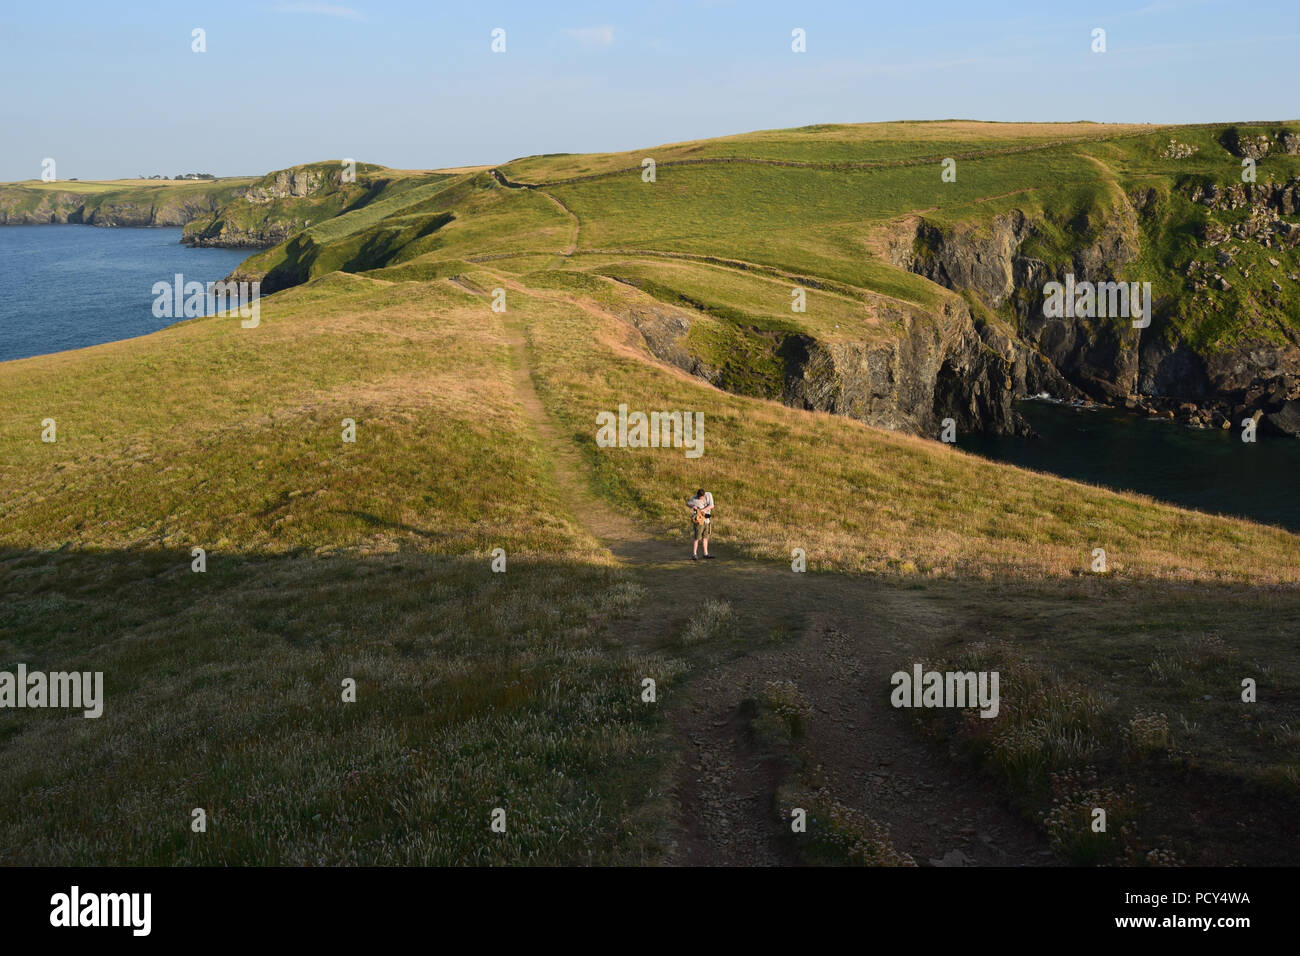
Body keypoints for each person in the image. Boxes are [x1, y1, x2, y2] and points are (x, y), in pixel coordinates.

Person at [686, 487, 715, 560]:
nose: (700, 499)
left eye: (701, 497)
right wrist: (693, 506)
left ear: (704, 495)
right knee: (697, 538)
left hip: (707, 520)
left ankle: (705, 554)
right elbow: (687, 504)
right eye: (699, 497)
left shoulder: (709, 495)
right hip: (699, 521)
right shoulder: (694, 498)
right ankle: (694, 554)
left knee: (705, 538)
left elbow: (712, 506)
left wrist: (702, 510)